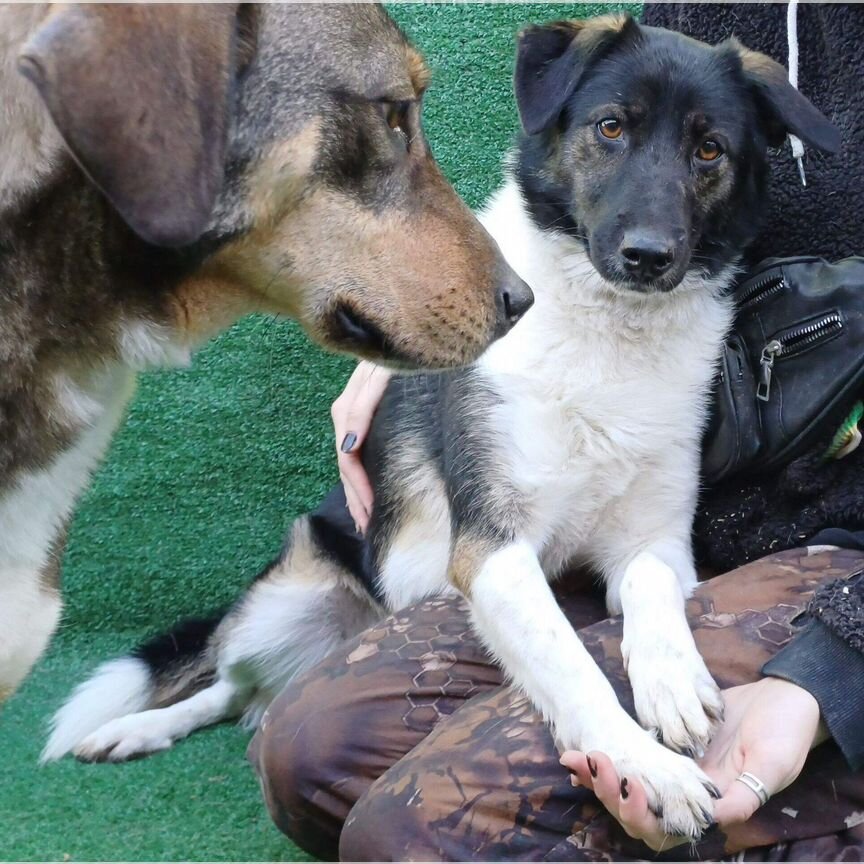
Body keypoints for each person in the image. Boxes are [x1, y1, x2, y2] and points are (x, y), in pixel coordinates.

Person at [249, 3, 864, 860]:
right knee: (311, 755)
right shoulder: (692, 27)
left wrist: (828, 676)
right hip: (684, 542)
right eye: (614, 129)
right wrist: (438, 329)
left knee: (412, 833)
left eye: (706, 154)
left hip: (837, 565)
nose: (652, 223)